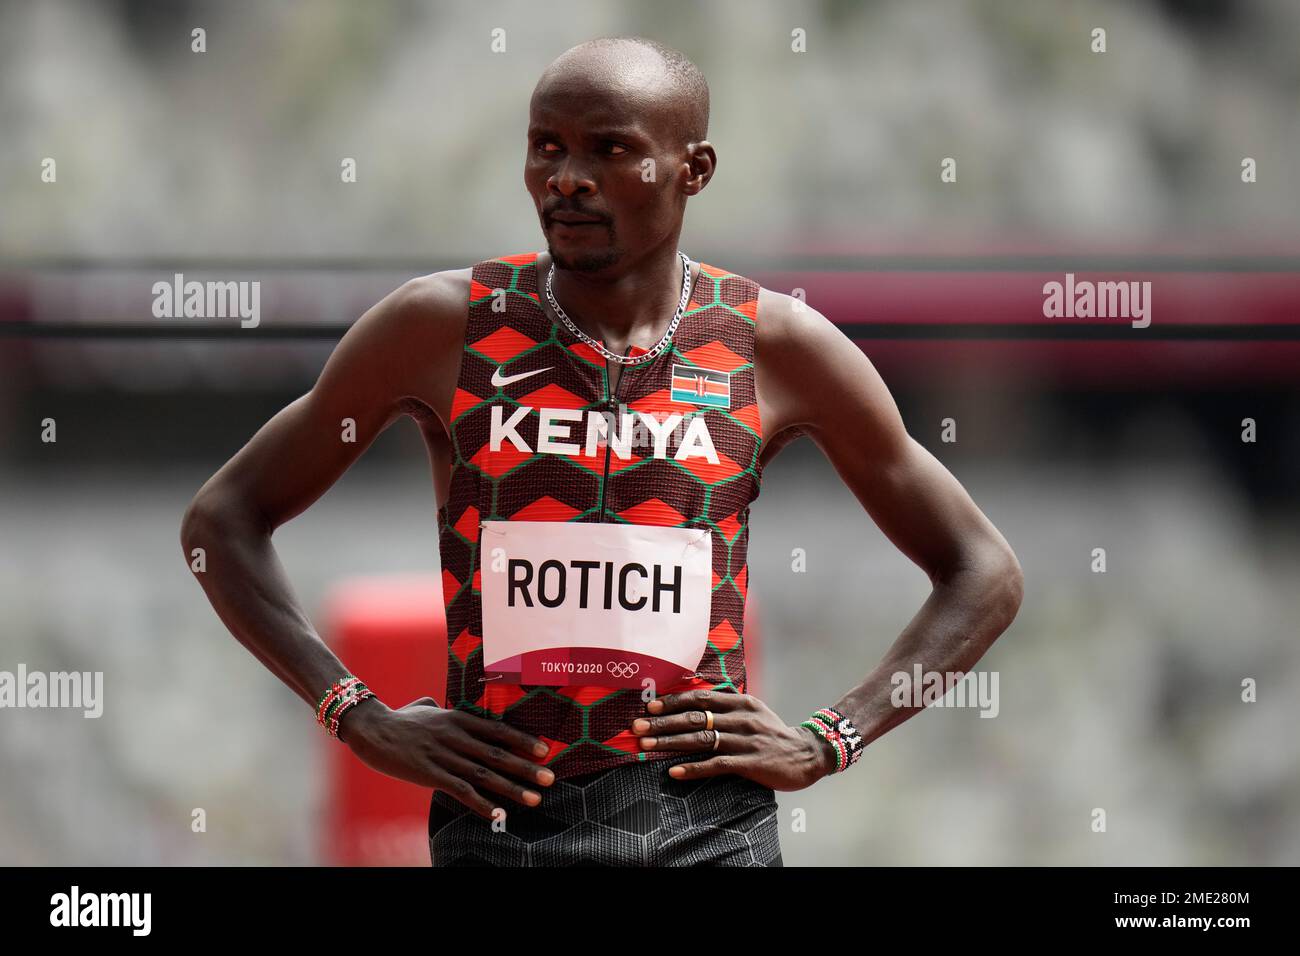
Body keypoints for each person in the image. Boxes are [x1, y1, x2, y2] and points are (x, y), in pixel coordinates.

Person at [181, 36, 1023, 867]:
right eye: (546, 146)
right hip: (503, 822)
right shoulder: (443, 328)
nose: (566, 178)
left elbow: (982, 570)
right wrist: (355, 714)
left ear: (693, 169)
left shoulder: (772, 344)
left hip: (708, 827)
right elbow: (221, 522)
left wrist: (830, 738)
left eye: (610, 150)